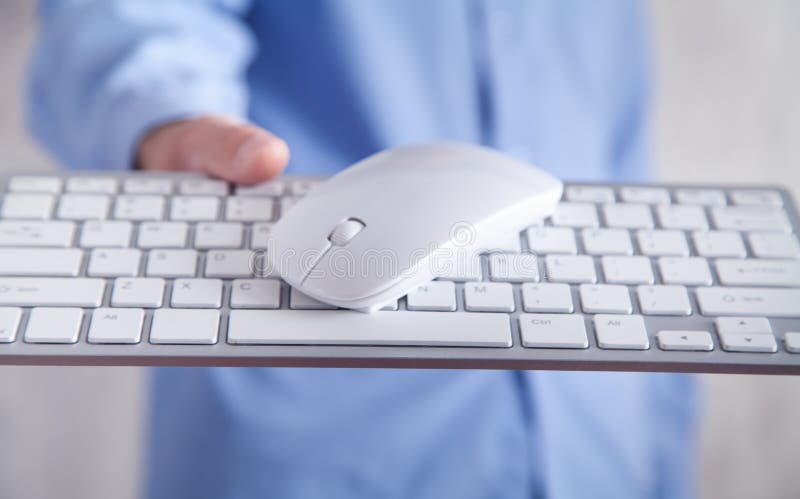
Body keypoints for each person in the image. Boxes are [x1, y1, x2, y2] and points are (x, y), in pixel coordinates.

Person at [28, 1, 697, 498]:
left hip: (595, 439)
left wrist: (660, 450)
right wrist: (172, 119)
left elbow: (625, 159)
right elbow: (140, 17)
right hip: (315, 421)